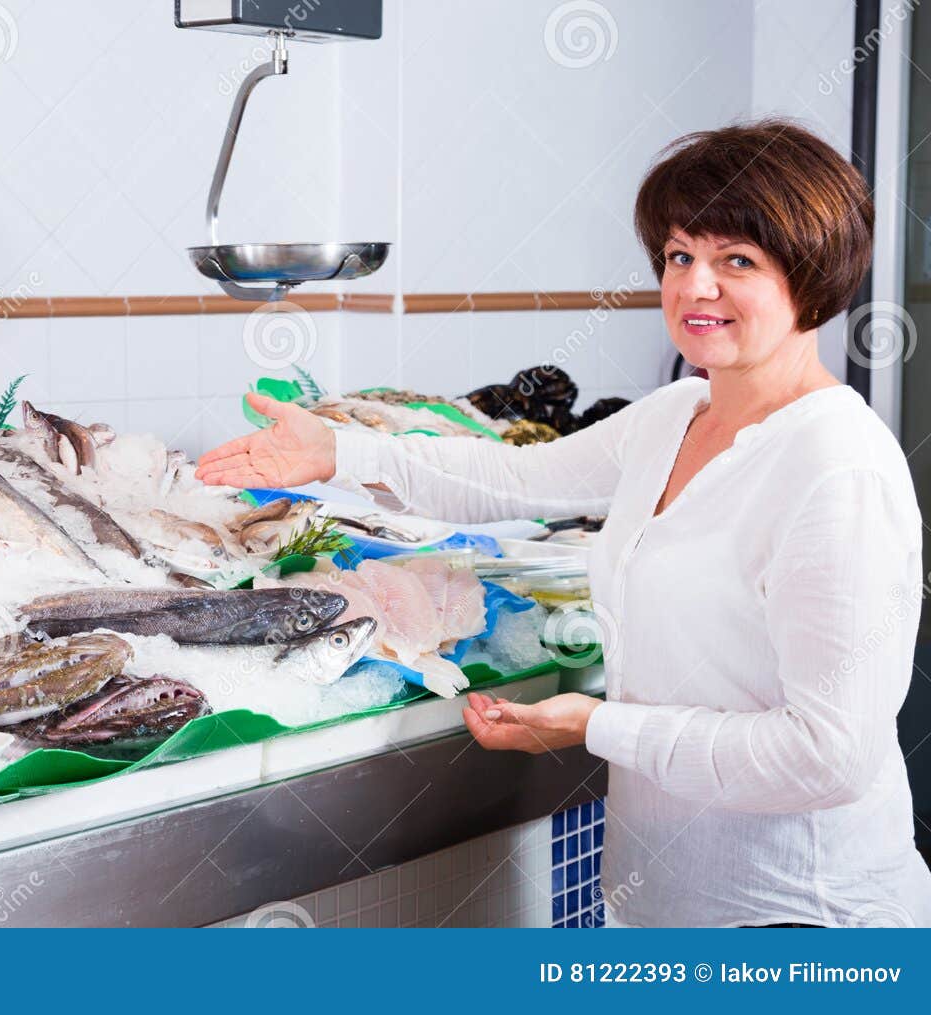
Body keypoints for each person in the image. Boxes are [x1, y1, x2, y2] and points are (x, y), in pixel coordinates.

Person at [195, 120, 931, 928]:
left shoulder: (837, 469)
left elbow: (829, 757)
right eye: (679, 256)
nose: (695, 287)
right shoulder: (678, 414)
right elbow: (514, 478)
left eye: (738, 261)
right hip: (669, 911)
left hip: (804, 921)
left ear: (815, 275)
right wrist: (338, 450)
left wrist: (598, 724)